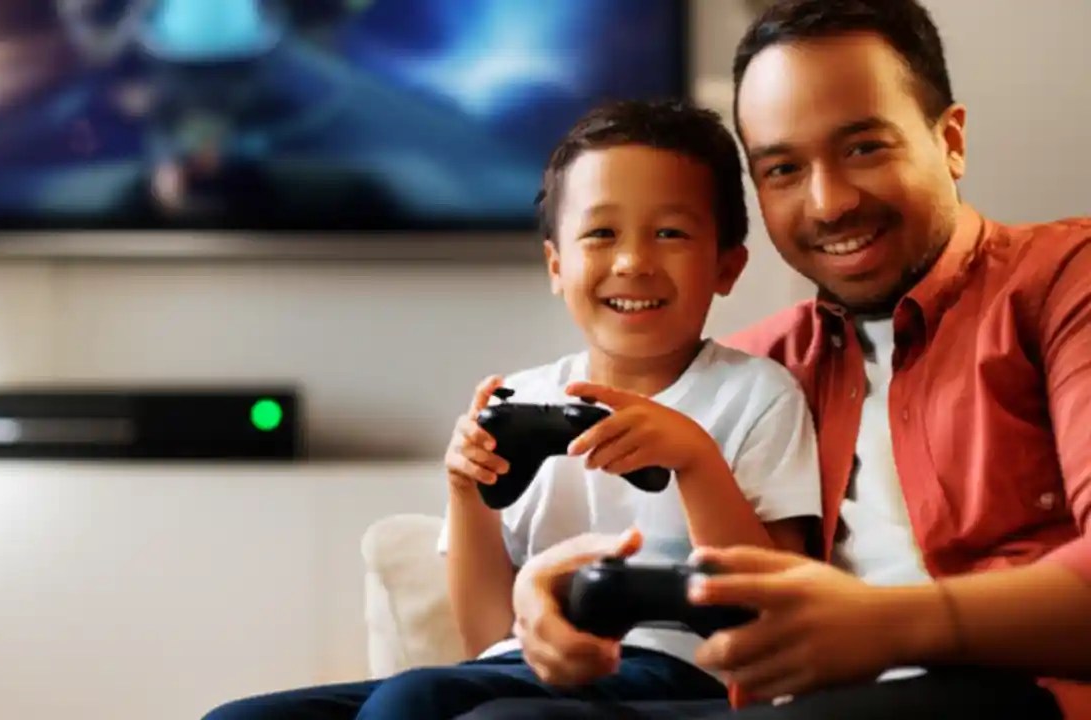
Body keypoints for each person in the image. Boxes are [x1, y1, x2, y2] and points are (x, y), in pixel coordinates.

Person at [458, 1, 1091, 719]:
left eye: (864, 149)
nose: (829, 202)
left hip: (1015, 696)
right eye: (784, 168)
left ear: (950, 141)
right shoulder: (765, 370)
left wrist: (883, 626)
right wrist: (549, 598)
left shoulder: (1066, 284)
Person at [198, 98, 824, 720]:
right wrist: (465, 492)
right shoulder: (523, 401)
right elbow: (485, 637)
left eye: (670, 233)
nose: (633, 262)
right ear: (557, 265)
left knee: (415, 699)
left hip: (679, 677)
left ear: (727, 265)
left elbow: (768, 610)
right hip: (518, 664)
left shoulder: (757, 395)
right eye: (601, 234)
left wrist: (694, 460)